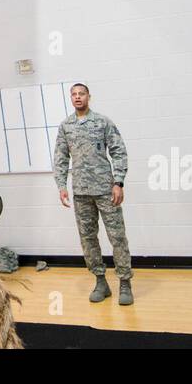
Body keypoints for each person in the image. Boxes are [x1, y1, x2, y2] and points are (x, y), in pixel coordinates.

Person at [53, 83, 133, 305]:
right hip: (81, 193)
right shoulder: (66, 126)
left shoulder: (102, 122)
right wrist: (61, 186)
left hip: (106, 190)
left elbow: (118, 151)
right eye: (74, 94)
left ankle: (125, 283)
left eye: (82, 94)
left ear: (89, 97)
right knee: (88, 239)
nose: (78, 97)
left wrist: (118, 182)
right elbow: (60, 158)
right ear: (71, 98)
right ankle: (101, 281)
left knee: (117, 237)